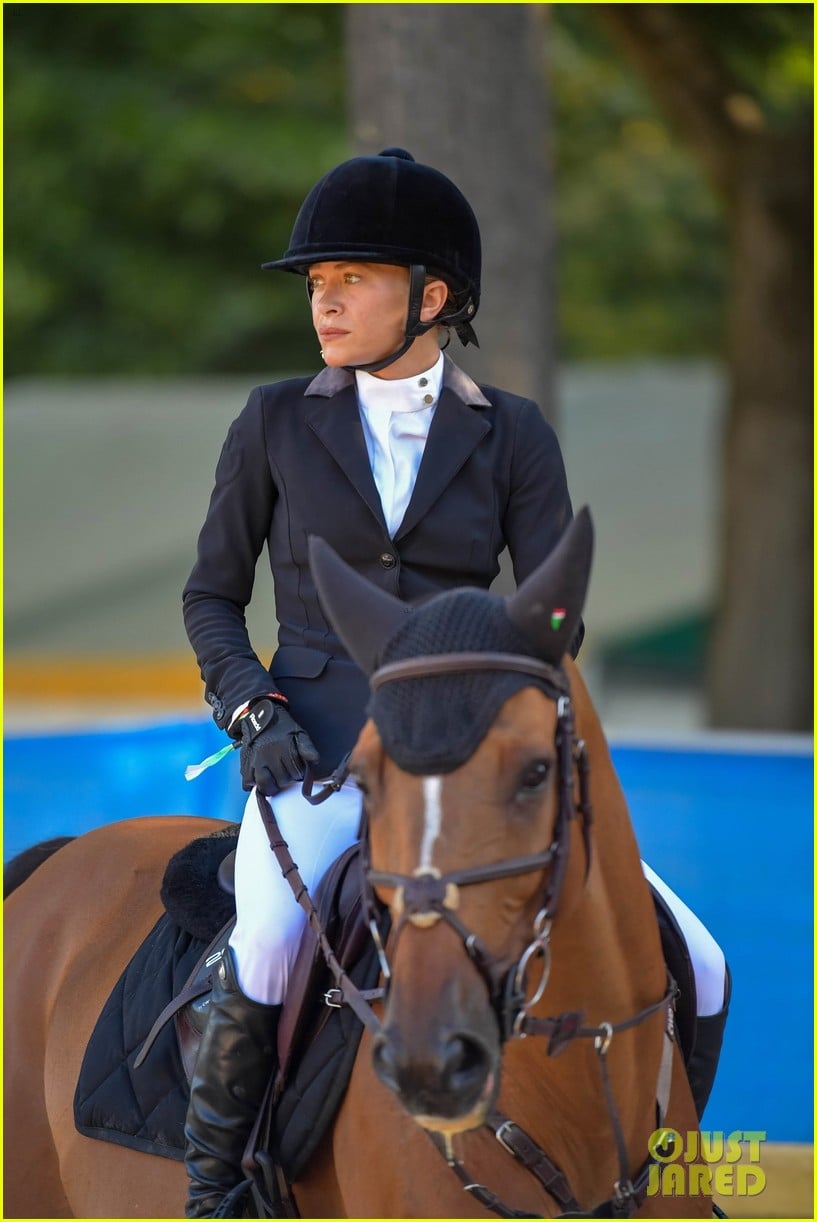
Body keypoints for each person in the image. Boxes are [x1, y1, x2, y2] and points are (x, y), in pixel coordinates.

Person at [181, 147, 728, 1217]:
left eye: (351, 278)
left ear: (430, 298)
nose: (323, 300)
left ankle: (651, 1168)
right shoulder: (273, 422)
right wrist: (252, 707)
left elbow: (550, 620)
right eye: (314, 283)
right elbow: (211, 596)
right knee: (266, 945)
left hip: (473, 773)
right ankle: (220, 1189)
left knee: (699, 962)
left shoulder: (510, 430)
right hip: (323, 761)